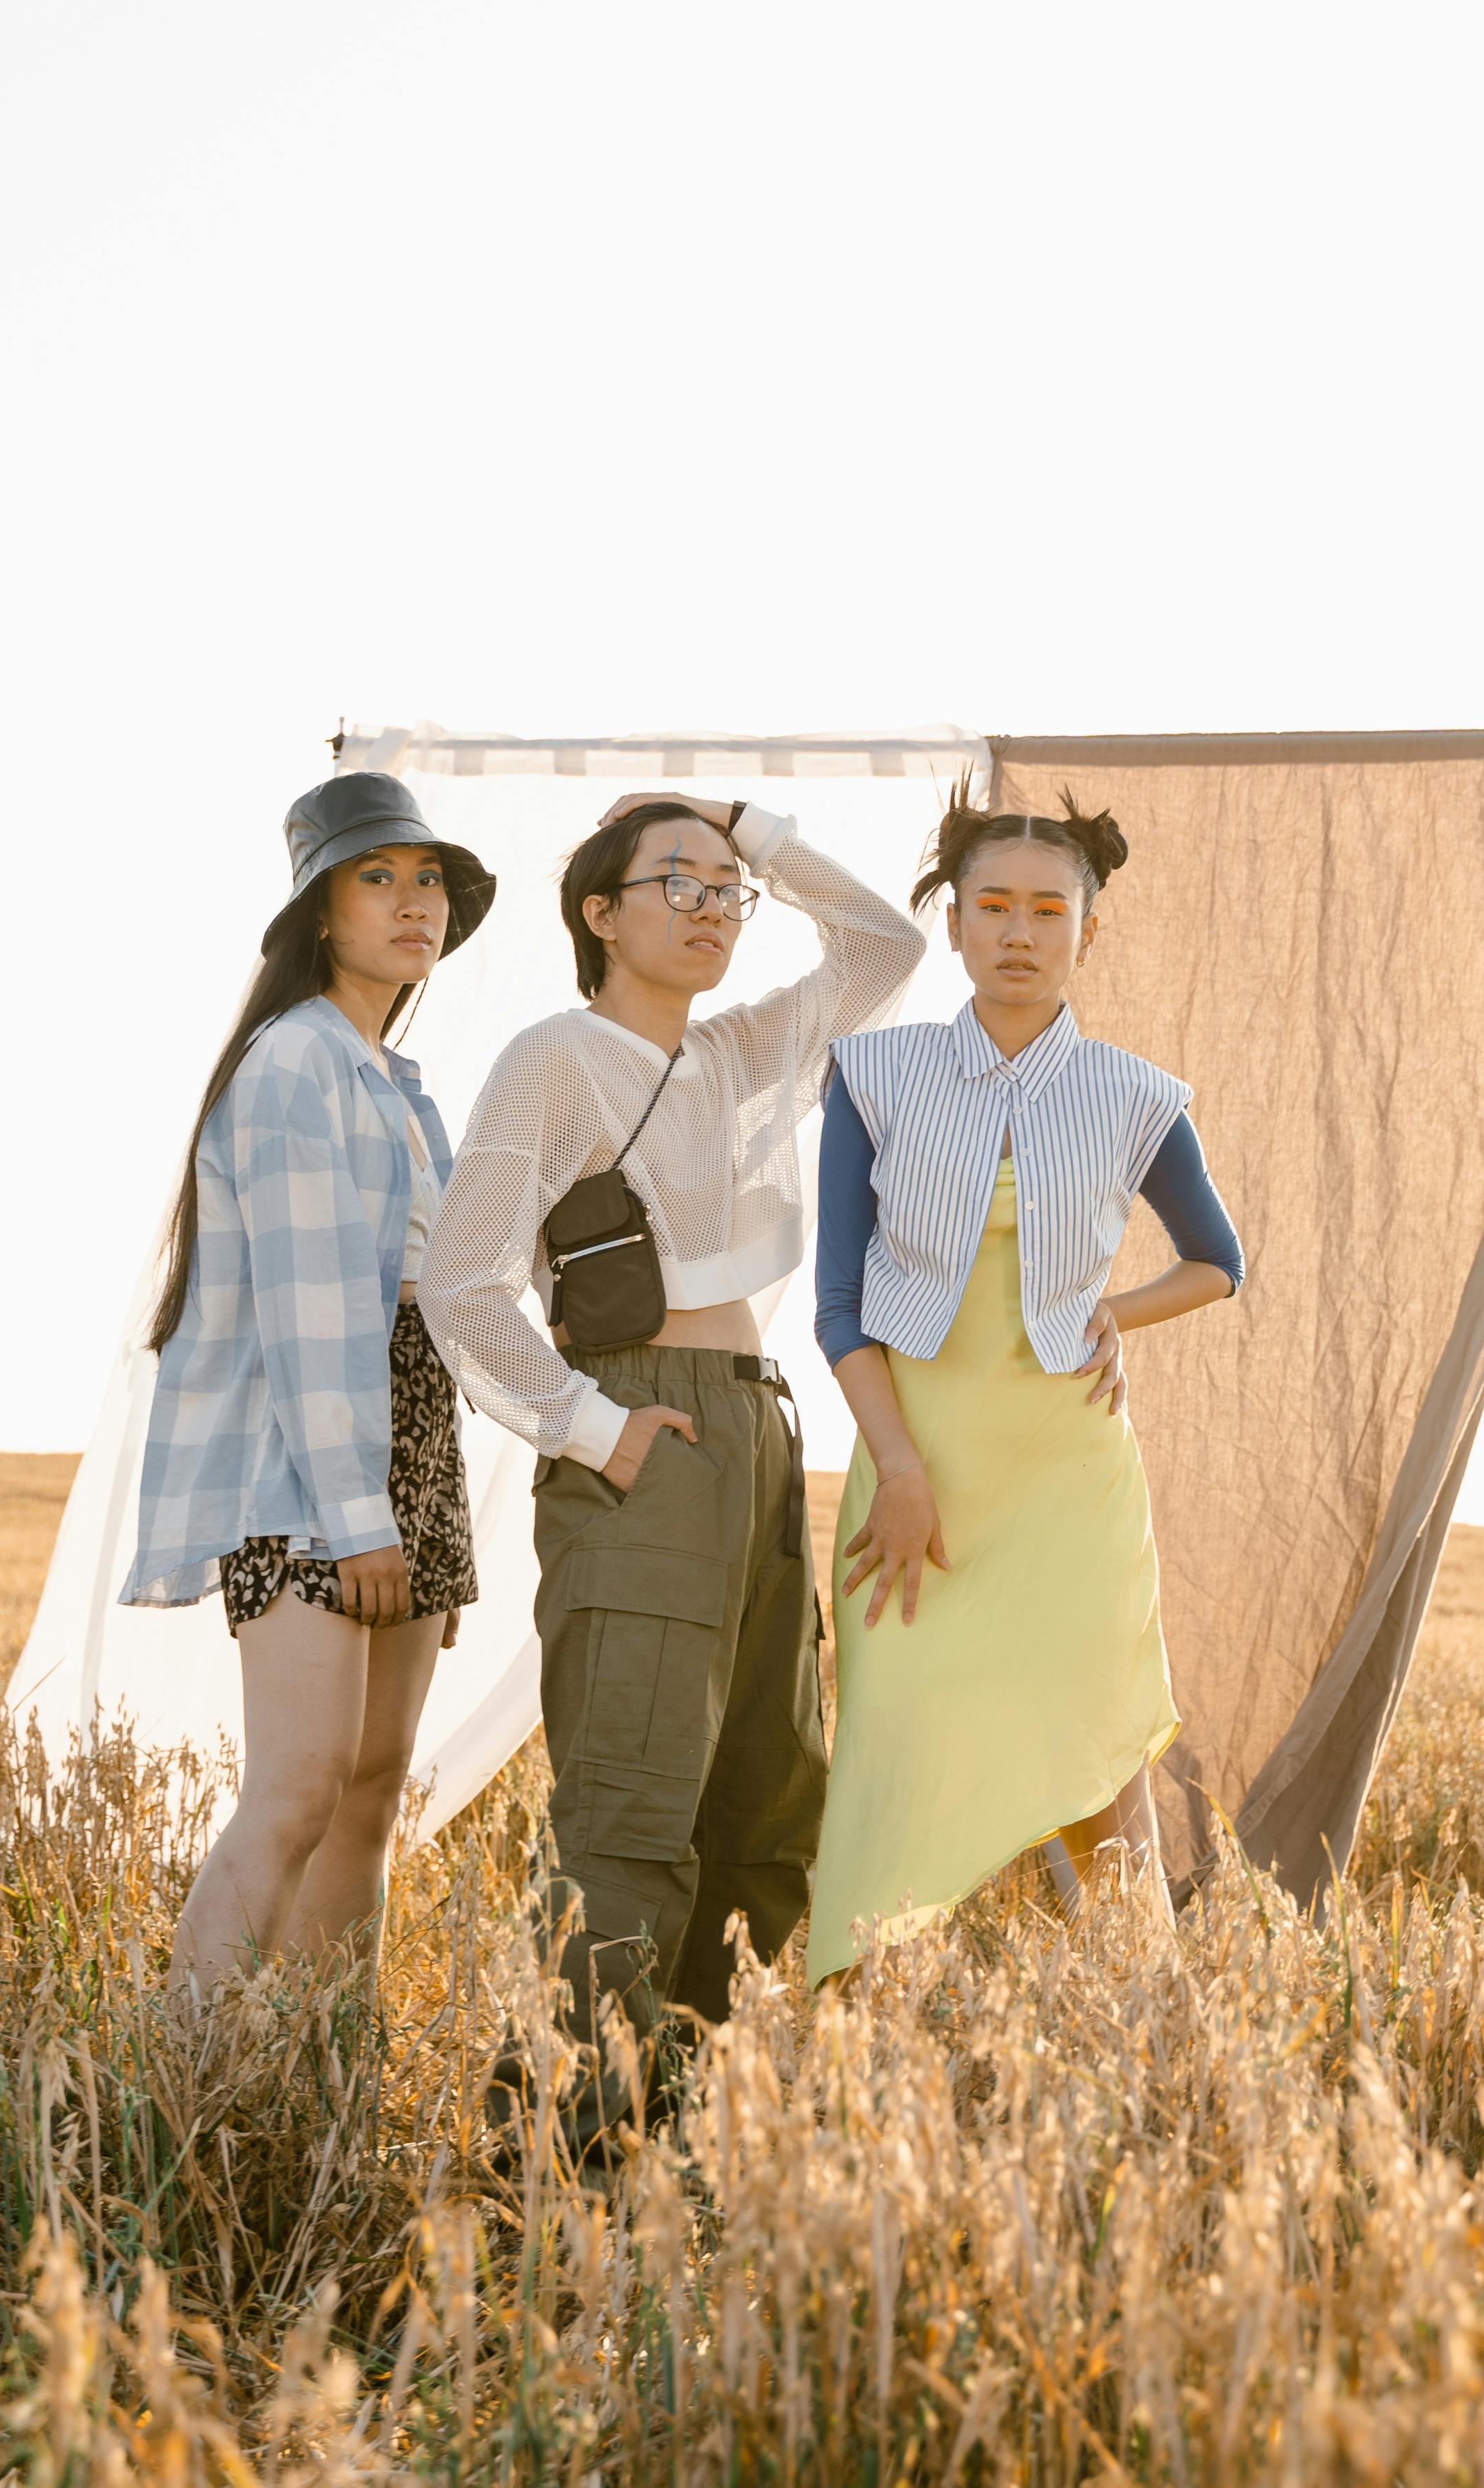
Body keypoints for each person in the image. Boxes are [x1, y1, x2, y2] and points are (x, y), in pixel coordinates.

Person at [421, 791, 927, 2092]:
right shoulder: (554, 1055)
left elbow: (884, 948)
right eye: (679, 884)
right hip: (641, 1418)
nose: (713, 910)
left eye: (728, 893)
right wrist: (595, 1428)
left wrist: (752, 830)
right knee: (633, 1801)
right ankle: (563, 2146)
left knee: (770, 1799)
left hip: (760, 1425)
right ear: (599, 912)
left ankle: (682, 2115)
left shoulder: (748, 1050)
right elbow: (463, 1279)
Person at [802, 789, 1245, 1980]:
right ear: (951, 923)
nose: (1019, 930)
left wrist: (1116, 1309)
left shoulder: (1133, 1094)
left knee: (1099, 1772)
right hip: (916, 1477)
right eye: (992, 904)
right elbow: (838, 1307)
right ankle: (863, 2069)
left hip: (1069, 1483)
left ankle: (1150, 2040)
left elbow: (1219, 1262)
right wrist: (899, 1467)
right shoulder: (873, 1073)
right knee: (897, 1758)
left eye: (1050, 910)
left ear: (1088, 933)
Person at [124, 773, 498, 2003]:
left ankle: (321, 2073)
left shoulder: (394, 1080)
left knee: (374, 1790)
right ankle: (183, 2077)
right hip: (318, 1452)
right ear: (318, 915)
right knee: (295, 1789)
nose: (413, 904)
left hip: (413, 1419)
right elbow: (303, 1314)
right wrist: (358, 1510)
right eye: (377, 879)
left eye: (427, 879)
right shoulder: (293, 1063)